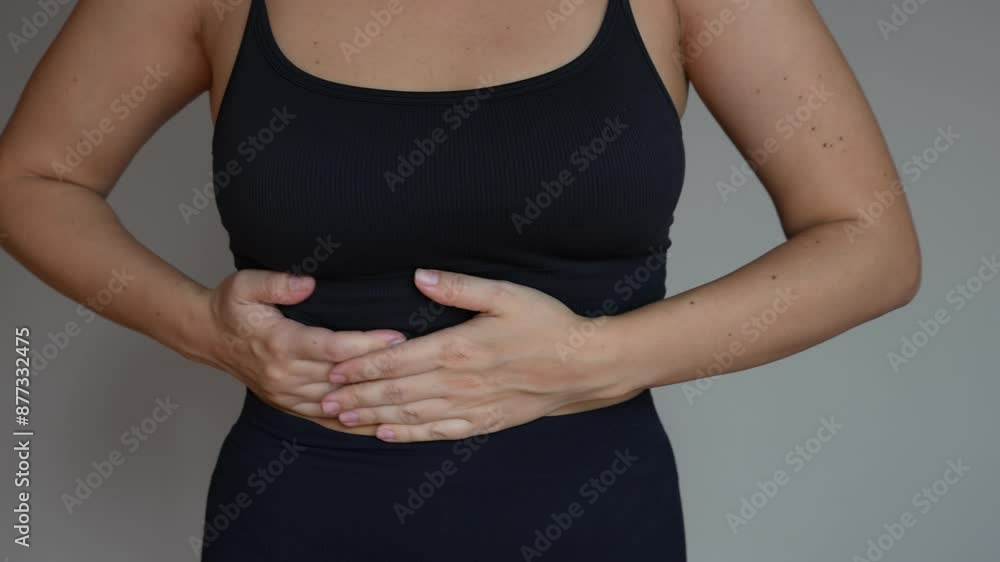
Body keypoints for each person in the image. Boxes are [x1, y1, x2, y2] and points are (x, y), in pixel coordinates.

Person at [0, 0, 920, 559]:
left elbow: (870, 247)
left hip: (587, 517)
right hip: (300, 513)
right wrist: (205, 330)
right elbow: (29, 180)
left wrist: (599, 359)